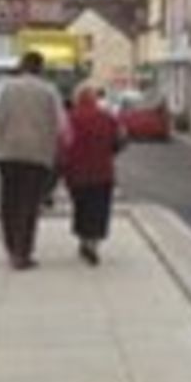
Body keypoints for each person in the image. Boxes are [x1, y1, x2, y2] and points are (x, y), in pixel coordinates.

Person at [0, 51, 66, 269]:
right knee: (29, 204)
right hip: (37, 155)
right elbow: (62, 126)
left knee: (8, 202)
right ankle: (23, 251)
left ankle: (10, 247)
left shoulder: (4, 88)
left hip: (6, 154)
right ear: (41, 68)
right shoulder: (49, 91)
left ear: (21, 66)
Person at [59, 81, 124, 265]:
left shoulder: (70, 118)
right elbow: (120, 139)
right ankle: (93, 242)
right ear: (94, 99)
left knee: (81, 206)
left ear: (77, 99)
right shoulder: (108, 117)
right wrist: (110, 151)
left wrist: (63, 165)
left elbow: (63, 143)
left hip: (76, 172)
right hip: (102, 172)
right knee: (99, 208)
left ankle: (83, 239)